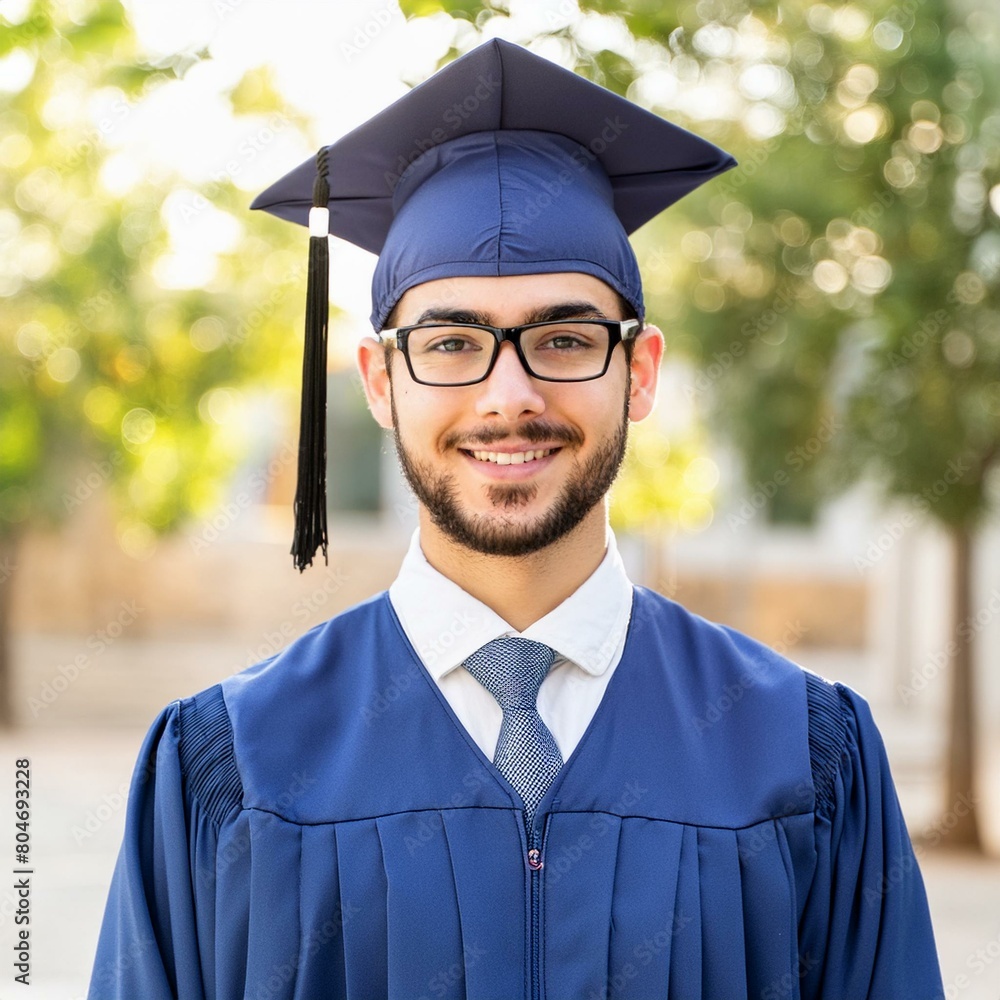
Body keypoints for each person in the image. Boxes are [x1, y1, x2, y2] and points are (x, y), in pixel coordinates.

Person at [88, 38, 945, 1000]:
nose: (509, 395)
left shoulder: (803, 755)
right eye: (450, 342)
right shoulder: (229, 764)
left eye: (565, 339)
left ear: (642, 371)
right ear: (378, 381)